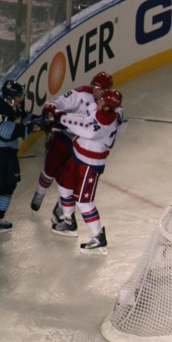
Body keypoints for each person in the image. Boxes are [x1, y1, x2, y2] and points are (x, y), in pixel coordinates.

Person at [30, 71, 116, 216]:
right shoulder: (82, 93)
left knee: (70, 179)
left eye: (100, 88)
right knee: (50, 169)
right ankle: (40, 193)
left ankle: (62, 208)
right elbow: (60, 102)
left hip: (83, 146)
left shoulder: (111, 106)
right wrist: (52, 106)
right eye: (94, 86)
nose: (96, 90)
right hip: (64, 137)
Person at [50, 89, 125, 254]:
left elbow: (84, 128)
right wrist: (60, 116)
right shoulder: (108, 113)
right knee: (64, 185)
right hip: (78, 157)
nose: (98, 100)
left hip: (90, 165)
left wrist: (59, 118)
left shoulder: (102, 125)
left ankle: (98, 237)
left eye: (102, 100)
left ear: (106, 106)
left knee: (84, 201)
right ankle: (68, 221)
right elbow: (85, 117)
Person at [0, 79, 38, 243]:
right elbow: (5, 131)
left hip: (8, 151)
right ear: (11, 96)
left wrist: (39, 119)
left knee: (10, 184)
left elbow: (24, 118)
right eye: (19, 95)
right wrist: (30, 128)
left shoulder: (15, 107)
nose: (22, 98)